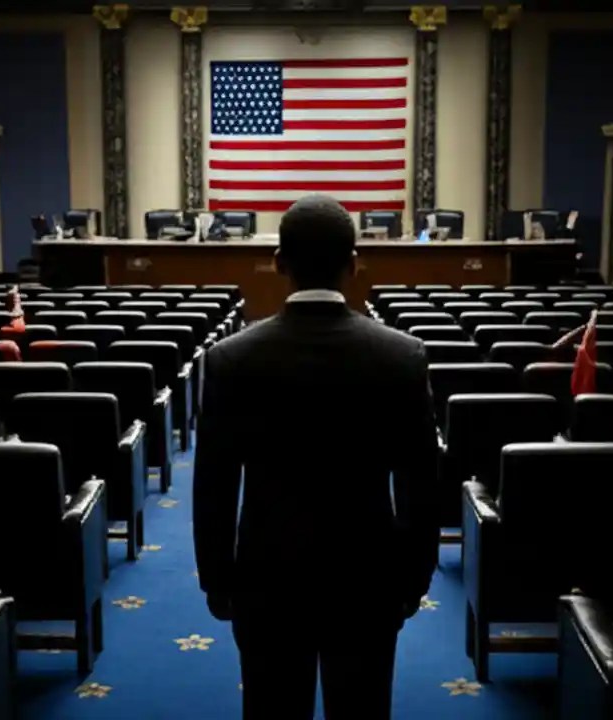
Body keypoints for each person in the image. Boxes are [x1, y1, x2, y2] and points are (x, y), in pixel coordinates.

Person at [193, 195, 440, 719]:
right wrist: (414, 579)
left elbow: (213, 486)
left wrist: (217, 580)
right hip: (368, 581)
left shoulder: (231, 359)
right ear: (354, 263)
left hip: (266, 579)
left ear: (279, 262)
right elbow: (420, 484)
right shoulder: (402, 356)